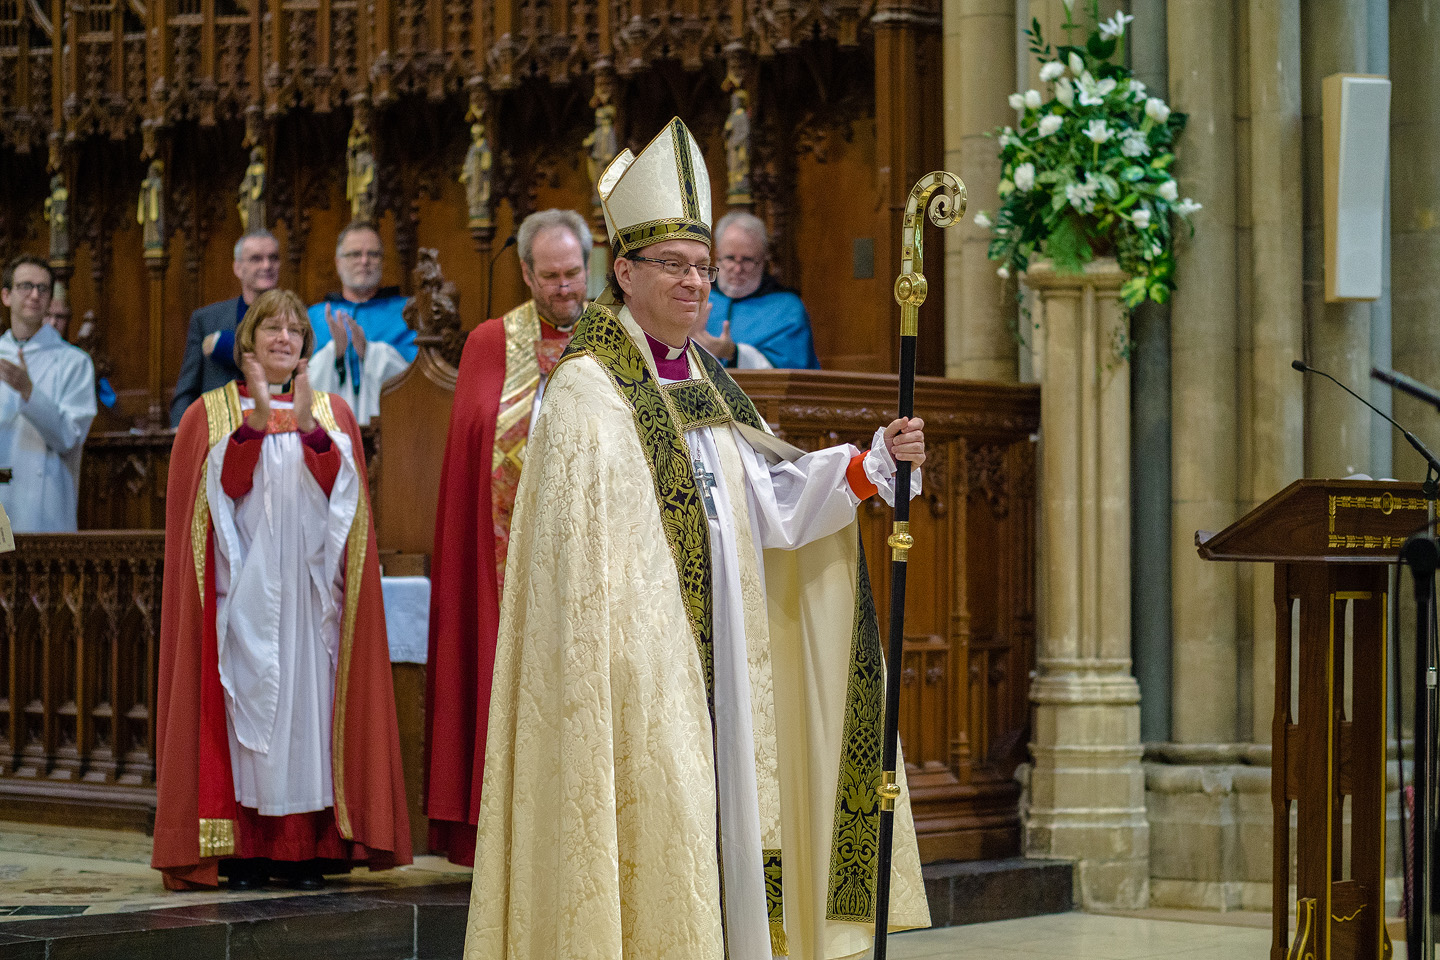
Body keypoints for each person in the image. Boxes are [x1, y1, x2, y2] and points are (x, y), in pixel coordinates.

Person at [462, 118, 930, 960]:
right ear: (626, 272)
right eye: (673, 266)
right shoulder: (587, 393)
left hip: (726, 674)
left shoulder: (706, 377)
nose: (694, 283)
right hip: (636, 685)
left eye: (704, 268)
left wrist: (869, 465)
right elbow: (573, 575)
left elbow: (767, 504)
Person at [153, 289, 411, 891]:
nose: (284, 338)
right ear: (249, 339)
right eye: (272, 328)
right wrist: (252, 427)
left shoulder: (331, 410)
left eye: (295, 331)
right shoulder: (210, 414)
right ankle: (245, 849)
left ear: (305, 345)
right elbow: (223, 495)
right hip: (240, 593)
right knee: (249, 716)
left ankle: (305, 848)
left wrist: (312, 433)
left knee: (306, 718)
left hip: (309, 595)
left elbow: (342, 499)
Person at [425, 208, 592, 867]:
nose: (564, 288)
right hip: (511, 557)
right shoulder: (492, 343)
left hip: (590, 555)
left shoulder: (617, 340)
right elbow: (473, 448)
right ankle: (505, 836)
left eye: (574, 273)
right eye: (549, 276)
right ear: (525, 273)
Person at [0, 256, 96, 533]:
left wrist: (29, 392)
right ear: (6, 296)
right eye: (26, 286)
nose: (35, 295)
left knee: (37, 575)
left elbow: (70, 437)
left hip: (42, 503)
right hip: (1, 504)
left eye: (43, 289)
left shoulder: (73, 362)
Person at [306, 222, 414, 425]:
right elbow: (296, 378)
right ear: (338, 262)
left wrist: (370, 353)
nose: (364, 261)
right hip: (325, 428)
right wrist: (335, 355)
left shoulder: (406, 312)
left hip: (391, 425)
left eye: (373, 254)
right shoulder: (315, 315)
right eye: (355, 254)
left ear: (382, 261)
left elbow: (417, 376)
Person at [170, 230, 281, 426]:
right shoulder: (207, 320)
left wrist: (226, 345)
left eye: (273, 258)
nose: (267, 265)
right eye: (256, 259)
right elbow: (187, 389)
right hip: (218, 430)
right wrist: (180, 433)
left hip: (276, 428)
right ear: (238, 268)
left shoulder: (296, 319)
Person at [698, 210, 821, 370]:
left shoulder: (786, 309)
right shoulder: (695, 297)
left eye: (747, 260)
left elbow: (791, 374)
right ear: (717, 255)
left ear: (763, 261)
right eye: (729, 258)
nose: (737, 268)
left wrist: (734, 353)